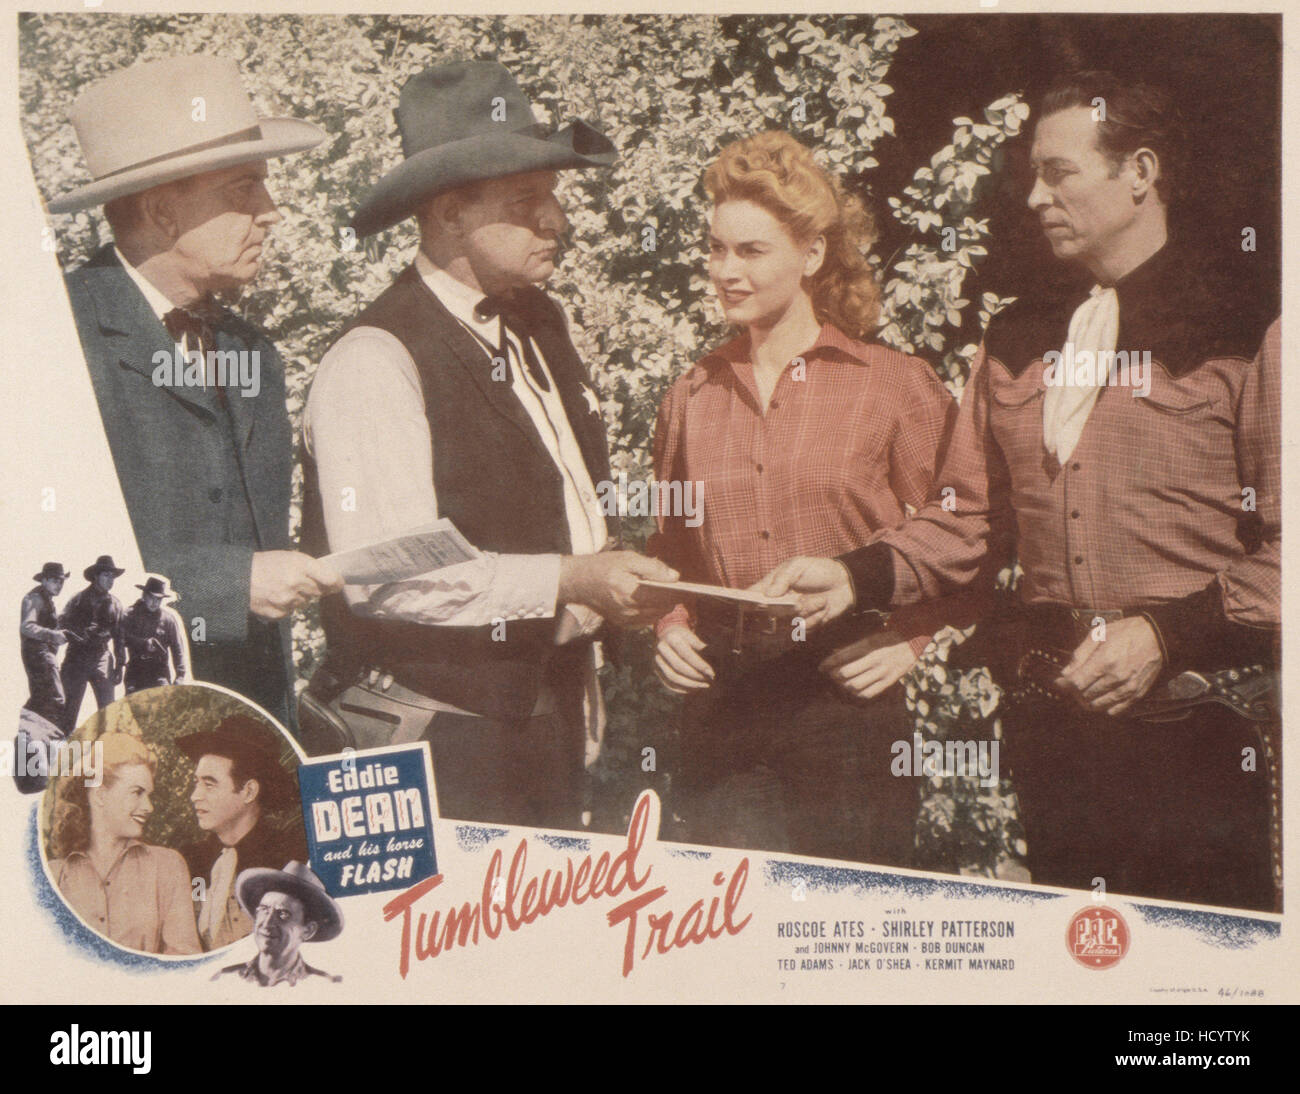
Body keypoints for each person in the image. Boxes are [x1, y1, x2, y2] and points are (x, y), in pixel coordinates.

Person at [760, 73, 1279, 911]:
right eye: (1031, 175)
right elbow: (970, 520)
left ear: (1139, 172)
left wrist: (1165, 634)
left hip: (1203, 734)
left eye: (1059, 172)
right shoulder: (1019, 338)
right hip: (1057, 737)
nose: (1035, 196)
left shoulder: (1251, 324)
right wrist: (854, 574)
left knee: (1195, 1005)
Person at [300, 61, 677, 829]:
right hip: (431, 745)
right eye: (526, 202)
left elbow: (555, 503)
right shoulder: (376, 360)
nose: (559, 222)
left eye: (555, 197)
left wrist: (608, 583)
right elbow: (387, 576)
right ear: (449, 214)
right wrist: (572, 580)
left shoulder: (540, 323)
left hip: (543, 732)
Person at [648, 131, 982, 864]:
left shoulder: (892, 384)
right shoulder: (690, 395)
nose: (725, 272)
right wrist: (670, 626)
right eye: (716, 250)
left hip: (845, 701)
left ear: (813, 254)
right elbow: (669, 548)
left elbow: (968, 530)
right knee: (730, 943)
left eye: (751, 252)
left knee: (845, 940)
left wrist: (912, 637)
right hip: (722, 704)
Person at [47, 56, 342, 728]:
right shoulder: (52, 343)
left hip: (250, 729)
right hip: (116, 736)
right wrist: (230, 586)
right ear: (161, 212)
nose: (272, 213)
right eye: (243, 191)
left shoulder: (252, 353)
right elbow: (40, 563)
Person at [46, 732, 201, 955]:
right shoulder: (55, 875)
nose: (149, 807)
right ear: (99, 795)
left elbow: (183, 959)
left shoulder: (167, 867)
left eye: (148, 795)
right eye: (137, 792)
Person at [178, 714, 307, 950]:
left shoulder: (288, 863)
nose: (194, 796)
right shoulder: (190, 861)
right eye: (196, 783)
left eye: (209, 784)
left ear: (248, 791)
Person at [212, 861, 342, 986]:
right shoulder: (224, 978)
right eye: (264, 909)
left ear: (308, 930)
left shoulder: (321, 985)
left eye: (283, 914)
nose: (267, 923)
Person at [58, 555, 126, 732]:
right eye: (106, 575)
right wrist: (81, 632)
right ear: (95, 576)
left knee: (108, 712)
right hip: (76, 657)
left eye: (113, 577)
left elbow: (120, 637)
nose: (110, 580)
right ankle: (60, 754)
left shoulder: (116, 605)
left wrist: (120, 665)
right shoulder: (78, 600)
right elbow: (61, 624)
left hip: (101, 658)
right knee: (68, 713)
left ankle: (107, 756)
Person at [20, 562, 71, 727]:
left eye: (61, 581)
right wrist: (54, 635)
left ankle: (27, 739)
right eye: (55, 581)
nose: (59, 585)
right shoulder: (35, 598)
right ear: (44, 580)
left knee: (39, 699)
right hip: (39, 655)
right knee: (56, 698)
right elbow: (27, 627)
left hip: (41, 654)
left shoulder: (46, 599)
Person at [122, 576, 187, 694]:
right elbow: (121, 638)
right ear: (144, 596)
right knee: (134, 710)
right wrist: (142, 643)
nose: (154, 603)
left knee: (162, 709)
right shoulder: (130, 615)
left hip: (159, 673)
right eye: (151, 598)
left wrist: (180, 675)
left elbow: (177, 648)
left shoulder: (168, 620)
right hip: (135, 671)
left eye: (158, 599)